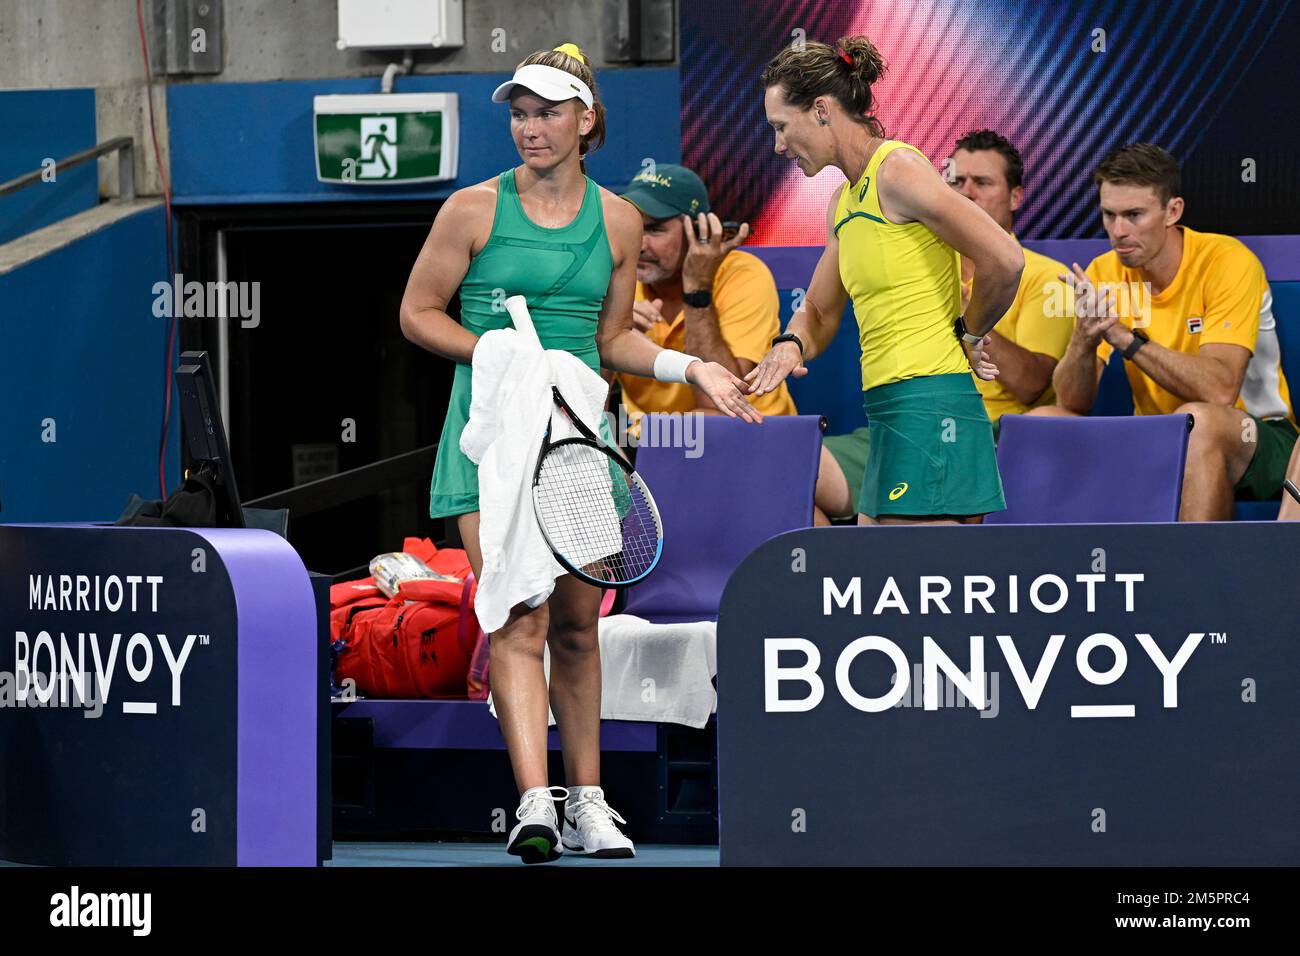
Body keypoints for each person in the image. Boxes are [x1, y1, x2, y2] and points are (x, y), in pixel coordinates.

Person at [398, 43, 758, 863]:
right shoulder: (470, 210)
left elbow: (607, 342)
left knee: (576, 627)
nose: (530, 128)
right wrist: (493, 354)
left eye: (548, 111)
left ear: (585, 119)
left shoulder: (621, 221)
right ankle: (534, 805)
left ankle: (590, 803)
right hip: (492, 435)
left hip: (575, 440)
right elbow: (418, 313)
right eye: (520, 113)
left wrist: (687, 363)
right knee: (515, 620)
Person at [749, 36, 1024, 525]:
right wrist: (790, 343)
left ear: (820, 110)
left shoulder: (898, 171)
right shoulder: (846, 201)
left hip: (930, 405)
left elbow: (1005, 259)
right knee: (886, 579)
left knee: (916, 589)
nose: (778, 145)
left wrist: (970, 333)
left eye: (781, 128)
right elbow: (818, 309)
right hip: (888, 407)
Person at [814, 129, 1073, 523]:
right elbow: (819, 306)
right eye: (954, 181)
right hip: (896, 416)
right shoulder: (921, 257)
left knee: (924, 550)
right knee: (797, 470)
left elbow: (1033, 383)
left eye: (982, 183)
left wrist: (972, 317)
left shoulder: (1043, 277)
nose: (965, 193)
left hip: (984, 425)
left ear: (1016, 197)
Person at [1035, 143, 1296, 521]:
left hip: (1257, 439)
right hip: (1158, 438)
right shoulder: (1103, 272)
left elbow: (1219, 390)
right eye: (1109, 215)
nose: (1118, 231)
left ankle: (1195, 575)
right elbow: (1073, 403)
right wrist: (1084, 340)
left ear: (1173, 211)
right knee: (1046, 421)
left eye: (1134, 215)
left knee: (1198, 422)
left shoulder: (1227, 261)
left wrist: (1127, 339)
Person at [615, 163, 795, 435]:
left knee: (704, 419)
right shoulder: (617, 277)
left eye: (654, 230)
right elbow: (586, 401)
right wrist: (613, 332)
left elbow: (718, 404)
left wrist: (696, 290)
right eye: (634, 228)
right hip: (656, 444)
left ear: (698, 231)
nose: (639, 244)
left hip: (753, 434)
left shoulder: (742, 273)